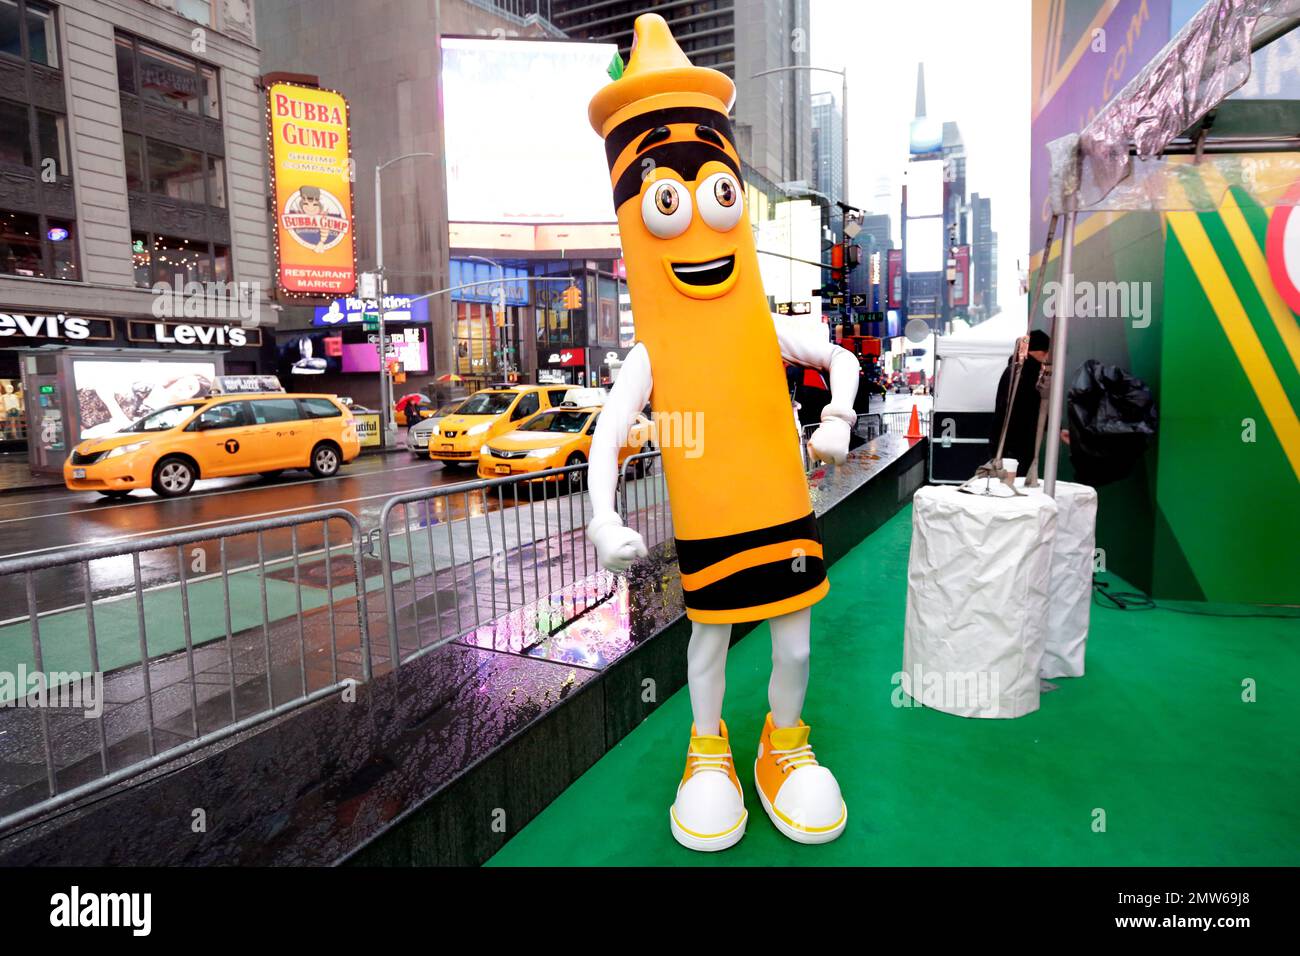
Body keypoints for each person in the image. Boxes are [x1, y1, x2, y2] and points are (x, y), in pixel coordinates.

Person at [990, 329, 1051, 476]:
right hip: (1016, 444)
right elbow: (1031, 408)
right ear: (1040, 352)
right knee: (1012, 483)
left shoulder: (1016, 371)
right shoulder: (1025, 374)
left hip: (1008, 442)